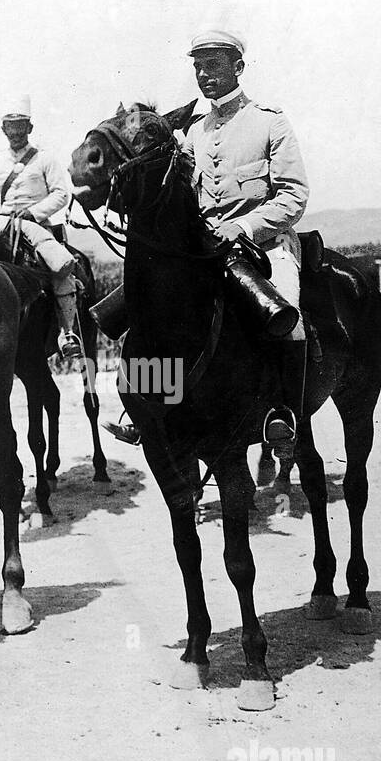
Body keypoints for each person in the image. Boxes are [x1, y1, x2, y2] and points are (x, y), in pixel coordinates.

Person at [106, 28, 309, 450]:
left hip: (264, 245)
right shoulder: (194, 131)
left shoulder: (270, 122)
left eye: (213, 64)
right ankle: (145, 407)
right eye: (197, 66)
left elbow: (293, 194)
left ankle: (281, 411)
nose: (203, 73)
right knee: (144, 307)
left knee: (286, 316)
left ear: (238, 67)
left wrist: (245, 226)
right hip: (202, 249)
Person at [0, 97, 82, 359]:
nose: (15, 133)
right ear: (3, 129)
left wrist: (34, 213)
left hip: (36, 224)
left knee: (60, 264)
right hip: (0, 223)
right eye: (10, 127)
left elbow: (60, 194)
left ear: (29, 128)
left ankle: (67, 333)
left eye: (20, 126)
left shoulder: (44, 159)